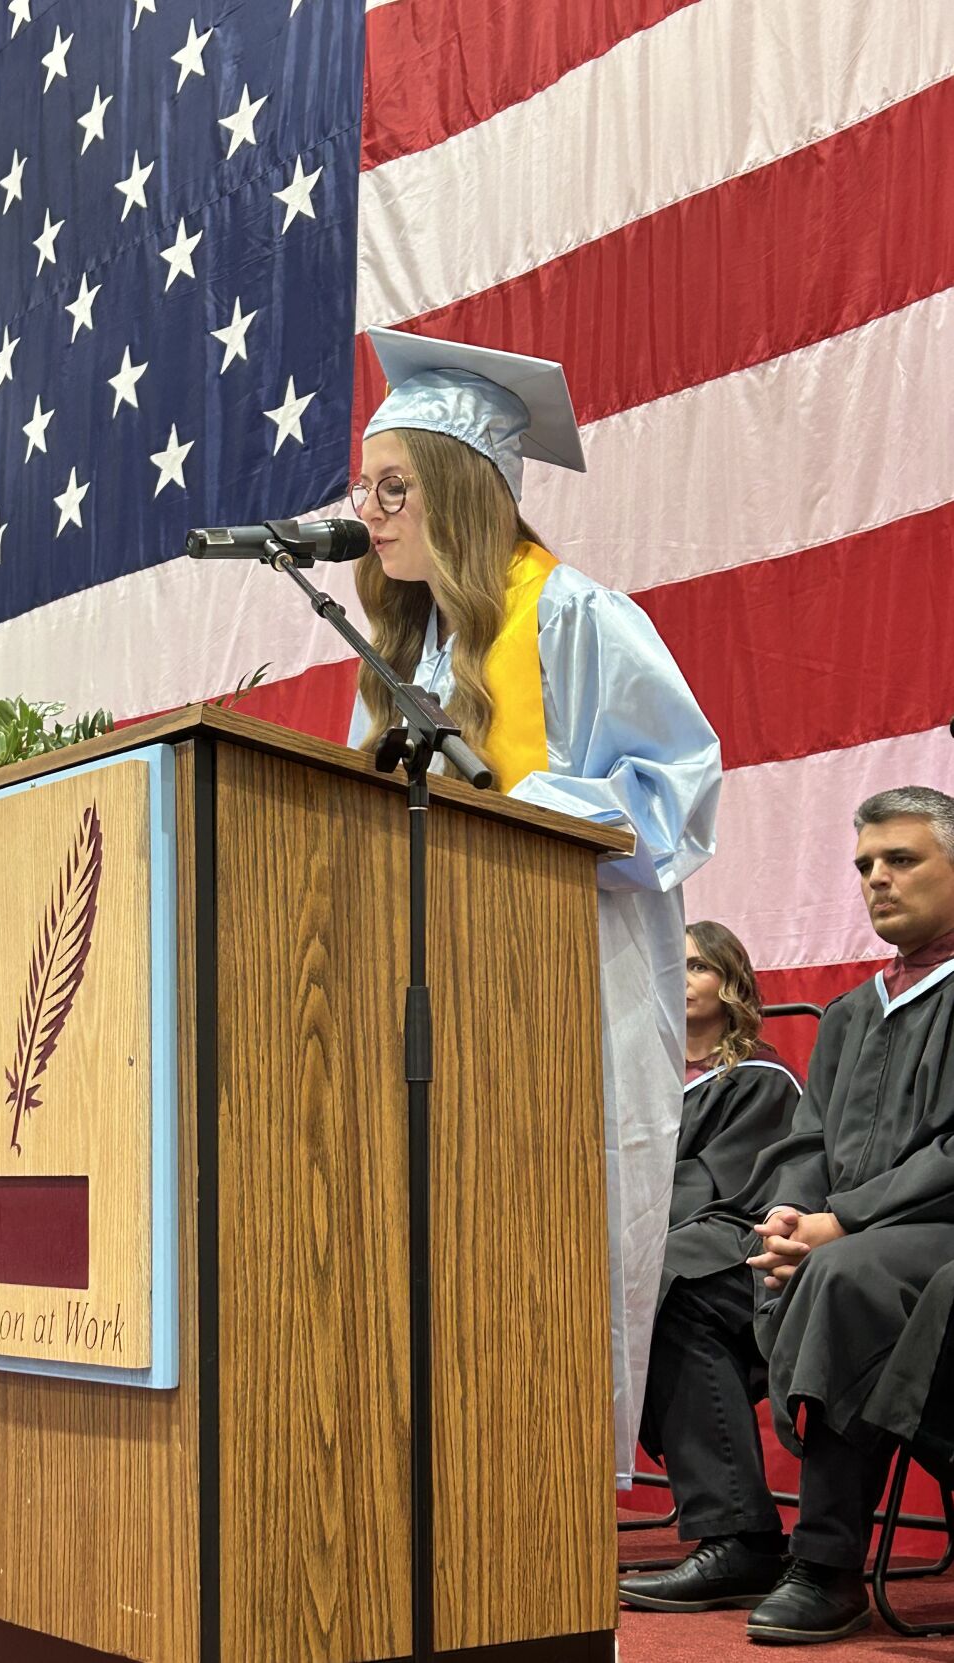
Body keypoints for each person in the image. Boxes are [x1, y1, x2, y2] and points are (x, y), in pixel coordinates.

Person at [347, 327, 722, 1482]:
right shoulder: (410, 657)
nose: (368, 510)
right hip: (424, 997)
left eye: (392, 485)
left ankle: (541, 1535)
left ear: (463, 488)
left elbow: (675, 787)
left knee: (544, 1271)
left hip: (570, 987)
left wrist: (502, 796)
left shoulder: (577, 619)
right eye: (363, 487)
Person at [621, 785, 954, 1645]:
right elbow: (805, 1142)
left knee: (840, 1274)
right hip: (854, 1233)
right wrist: (788, 1214)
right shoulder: (852, 1012)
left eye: (901, 859)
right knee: (795, 1267)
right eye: (864, 865)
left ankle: (826, 1560)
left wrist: (839, 1221)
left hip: (932, 1229)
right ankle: (744, 1533)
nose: (877, 879)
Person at [671, 921, 802, 1228]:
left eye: (698, 966)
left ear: (731, 981)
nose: (680, 979)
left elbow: (725, 1185)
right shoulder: (642, 1078)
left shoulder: (763, 1080)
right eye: (671, 966)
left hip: (721, 1232)